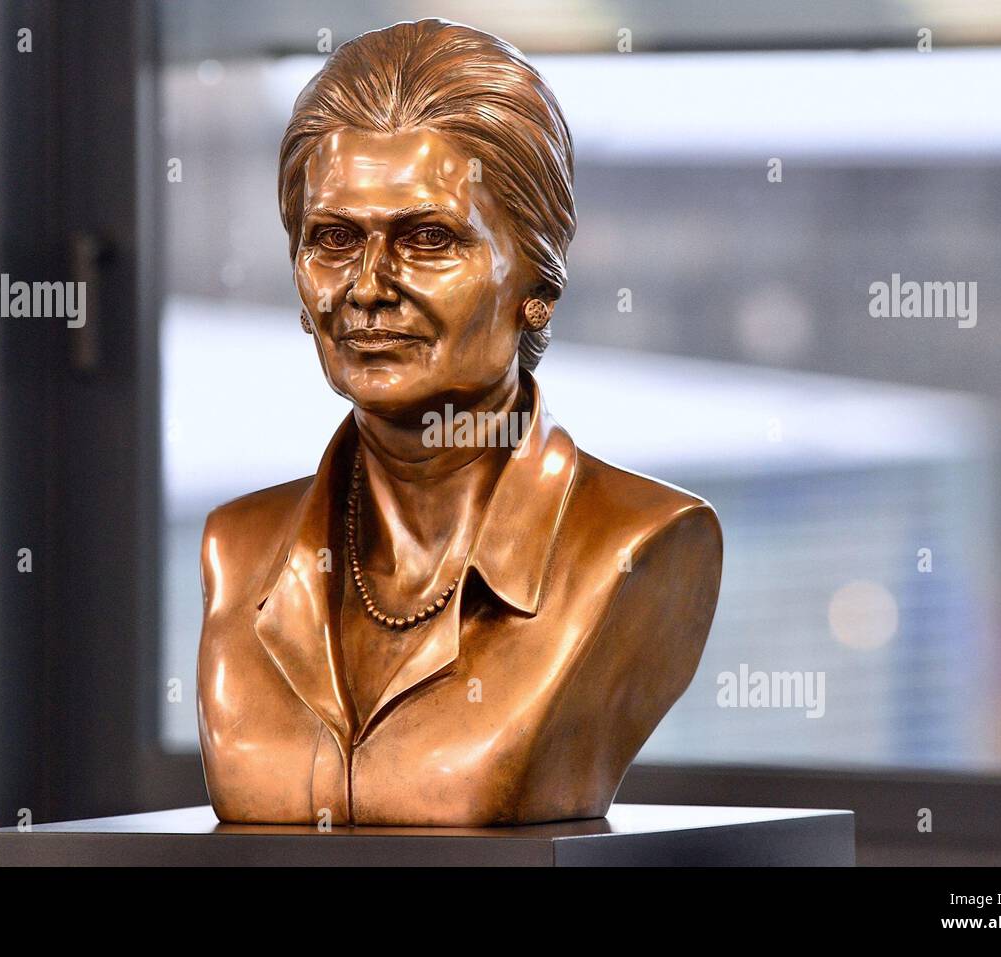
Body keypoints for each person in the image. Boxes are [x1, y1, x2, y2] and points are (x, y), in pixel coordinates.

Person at [198, 19, 722, 826]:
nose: (367, 286)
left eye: (428, 238)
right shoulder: (236, 552)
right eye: (333, 239)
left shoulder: (641, 545)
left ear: (537, 280)